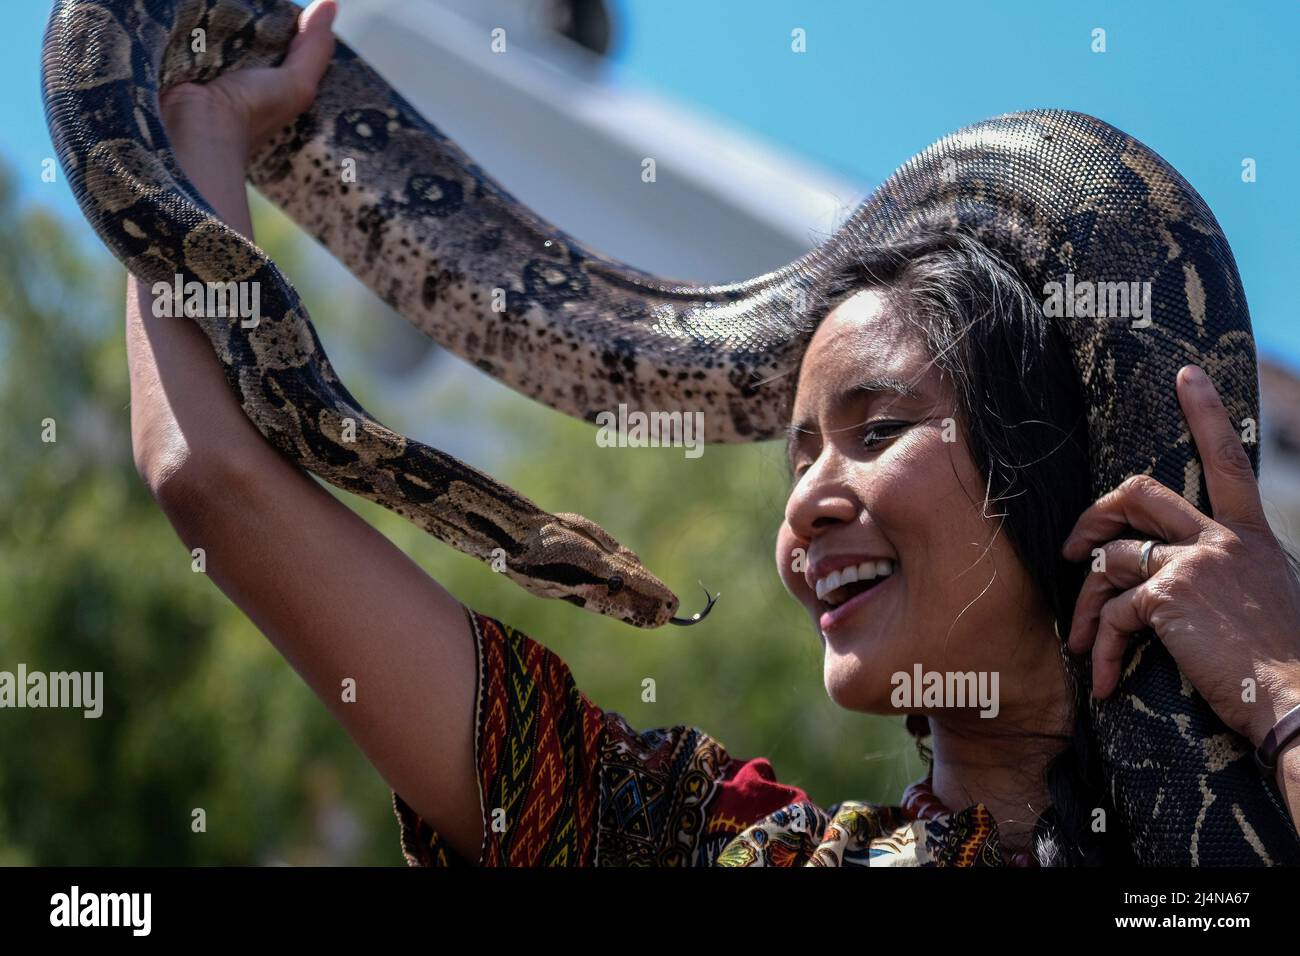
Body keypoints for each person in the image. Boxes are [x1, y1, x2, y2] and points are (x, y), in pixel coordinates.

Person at [126, 0, 1300, 865]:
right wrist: (187, 131)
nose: (807, 503)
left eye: (875, 429)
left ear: (1054, 456)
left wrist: (1279, 688)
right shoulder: (694, 841)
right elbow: (213, 477)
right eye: (794, 455)